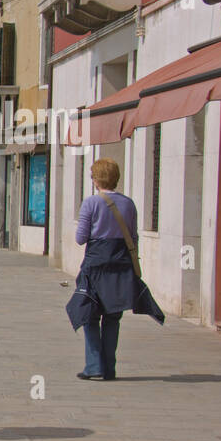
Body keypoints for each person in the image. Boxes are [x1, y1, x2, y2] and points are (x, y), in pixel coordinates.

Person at [66, 158, 163, 379]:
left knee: (89, 315)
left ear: (96, 179)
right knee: (113, 317)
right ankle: (109, 368)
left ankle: (94, 365)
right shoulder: (129, 204)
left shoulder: (91, 203)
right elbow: (134, 237)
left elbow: (81, 238)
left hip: (96, 266)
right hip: (121, 266)